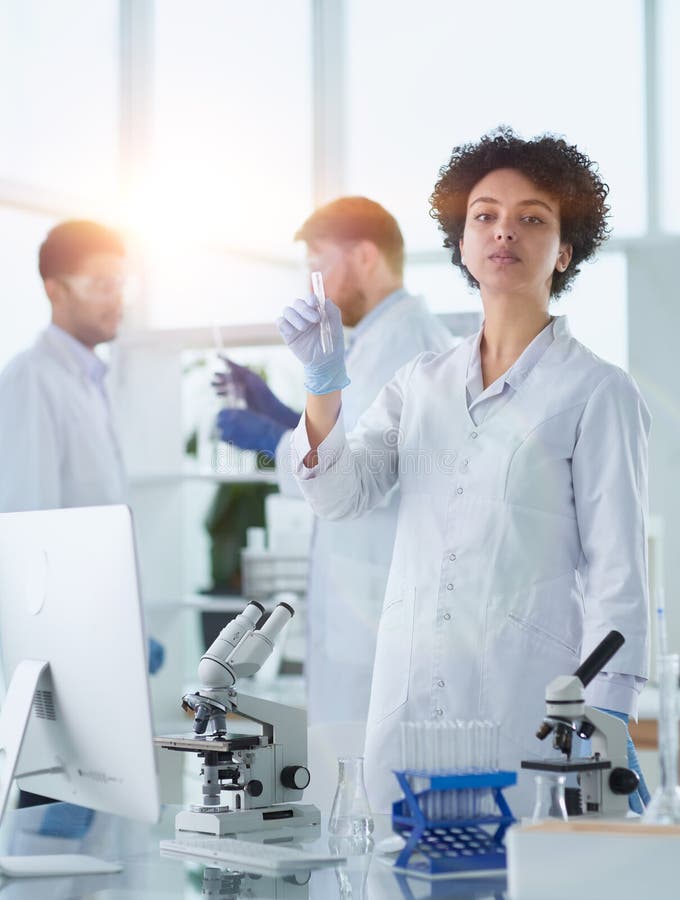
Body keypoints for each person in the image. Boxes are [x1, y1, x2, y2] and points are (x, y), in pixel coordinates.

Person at [277, 129, 650, 817]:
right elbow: (341, 493)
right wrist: (322, 385)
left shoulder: (596, 391)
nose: (503, 230)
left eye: (531, 217)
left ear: (564, 251)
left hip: (529, 712)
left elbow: (618, 575)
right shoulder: (420, 381)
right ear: (462, 243)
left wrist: (609, 716)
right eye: (484, 215)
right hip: (410, 711)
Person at [215, 197, 454, 724]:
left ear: (365, 256)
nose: (310, 285)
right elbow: (354, 438)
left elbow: (356, 474)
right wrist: (280, 415)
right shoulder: (378, 339)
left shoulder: (407, 344)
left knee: (364, 779)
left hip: (378, 603)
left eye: (319, 263)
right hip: (360, 599)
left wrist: (270, 439)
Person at [0, 220, 164, 675]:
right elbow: (30, 529)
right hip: (63, 641)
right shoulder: (31, 380)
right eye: (100, 285)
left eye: (120, 284)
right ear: (55, 291)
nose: (116, 298)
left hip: (103, 625)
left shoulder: (92, 381)